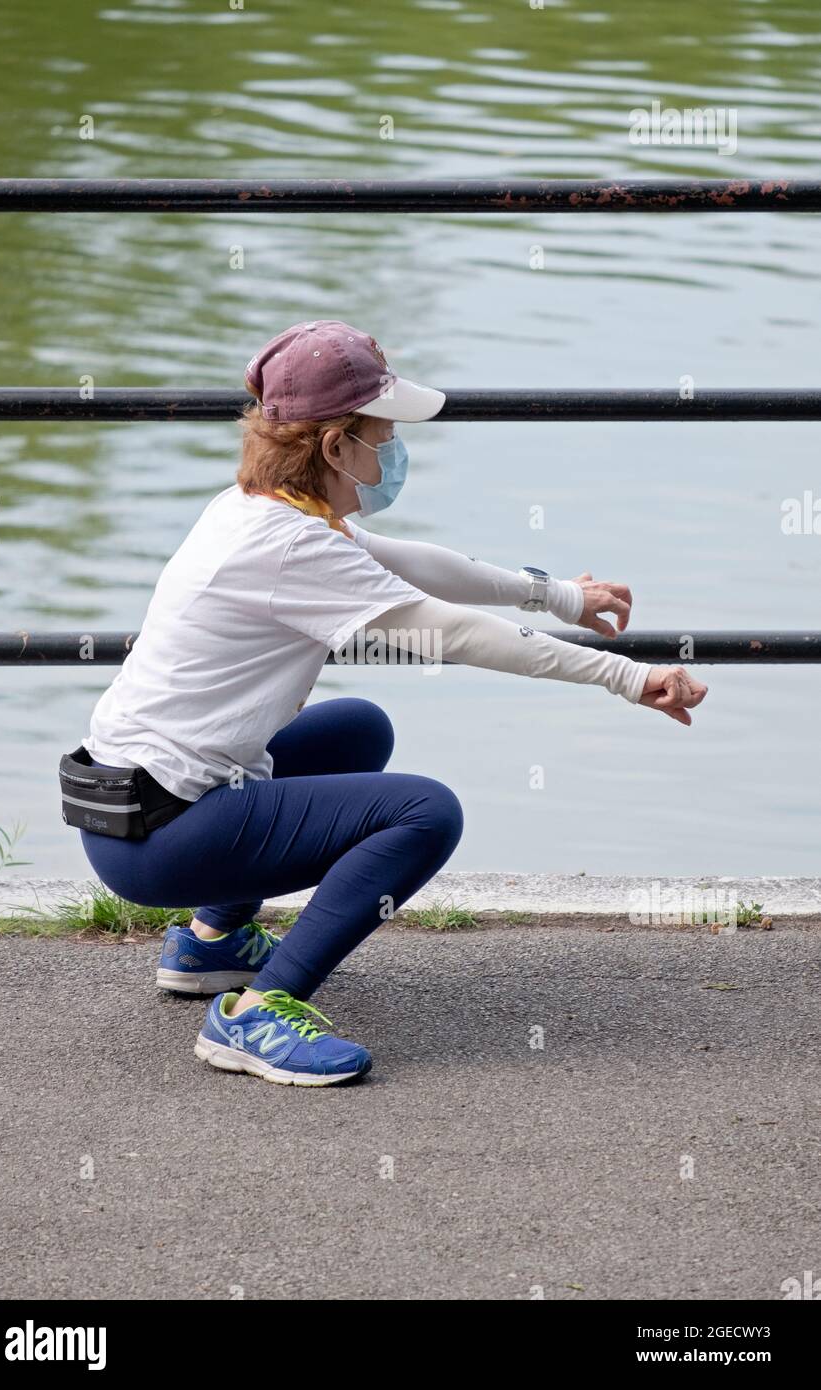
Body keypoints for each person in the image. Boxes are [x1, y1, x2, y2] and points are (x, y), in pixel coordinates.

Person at [63, 320, 707, 1088]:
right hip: (162, 837)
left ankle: (211, 943)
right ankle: (255, 1016)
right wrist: (628, 678)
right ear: (336, 447)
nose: (395, 452)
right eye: (384, 434)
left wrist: (560, 594)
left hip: (131, 810)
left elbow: (419, 566)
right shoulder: (291, 546)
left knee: (356, 729)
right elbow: (459, 634)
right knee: (426, 813)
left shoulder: (259, 511)